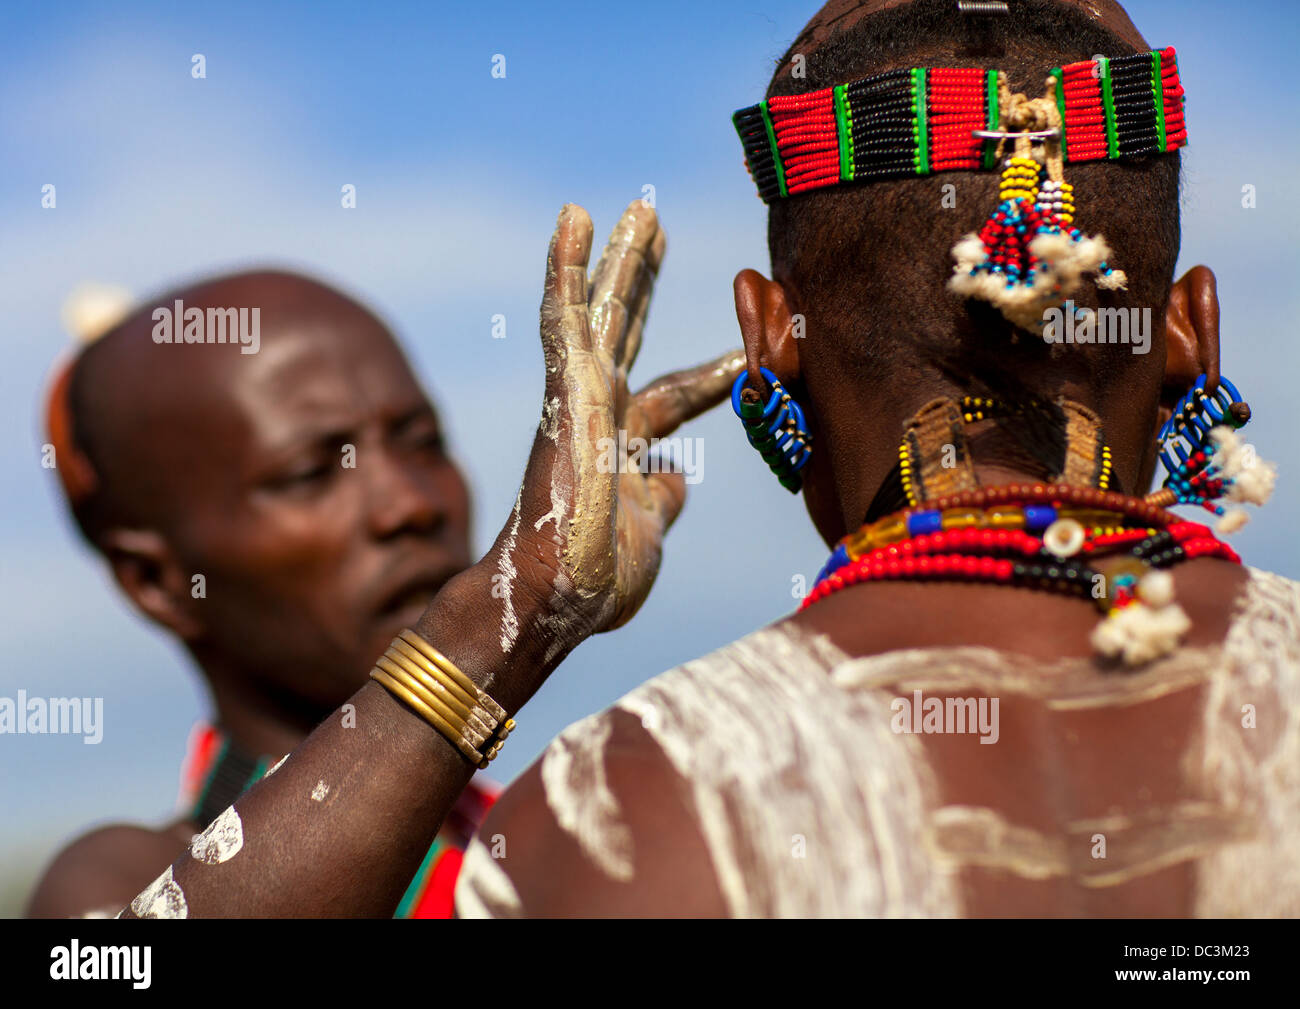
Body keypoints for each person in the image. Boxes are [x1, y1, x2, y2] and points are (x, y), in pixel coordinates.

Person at [113, 0, 1300, 919]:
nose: (398, 504)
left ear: (769, 341)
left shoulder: (623, 819)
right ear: (1192, 326)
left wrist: (511, 609)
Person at [28, 258, 739, 918]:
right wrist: (509, 612)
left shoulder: (564, 853)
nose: (410, 503)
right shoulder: (119, 880)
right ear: (157, 582)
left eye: (423, 441)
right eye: (311, 472)